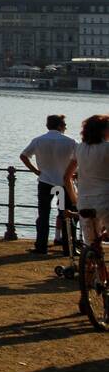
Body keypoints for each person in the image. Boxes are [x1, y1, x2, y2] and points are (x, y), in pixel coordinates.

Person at [20, 114, 78, 255]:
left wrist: (35, 170)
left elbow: (23, 156)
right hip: (64, 183)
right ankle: (68, 247)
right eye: (64, 125)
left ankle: (41, 246)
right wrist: (75, 174)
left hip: (45, 181)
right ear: (59, 126)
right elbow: (78, 159)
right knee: (67, 215)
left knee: (43, 214)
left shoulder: (38, 140)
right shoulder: (71, 141)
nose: (65, 128)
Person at [71, 115, 109, 319]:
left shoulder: (79, 149)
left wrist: (75, 199)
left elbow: (67, 176)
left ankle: (84, 297)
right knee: (99, 246)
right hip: (105, 201)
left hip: (84, 203)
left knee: (92, 249)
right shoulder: (107, 148)